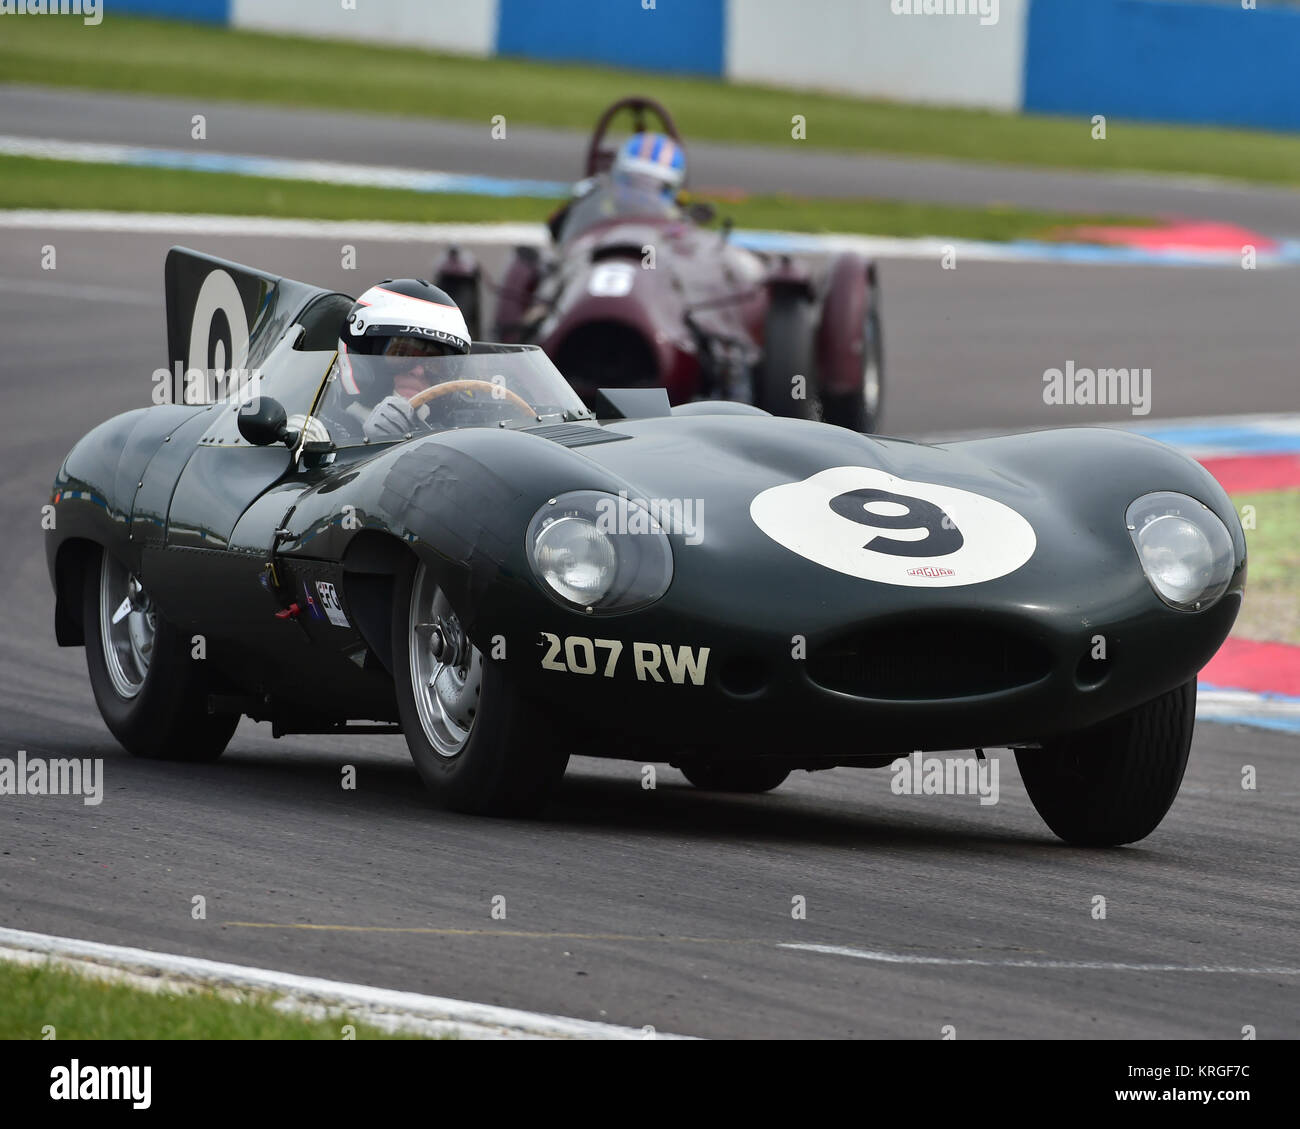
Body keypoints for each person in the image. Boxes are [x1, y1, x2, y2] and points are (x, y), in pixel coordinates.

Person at [333, 279, 472, 440]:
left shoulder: (461, 430)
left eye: (435, 363)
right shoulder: (321, 431)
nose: (418, 371)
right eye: (403, 354)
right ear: (363, 359)